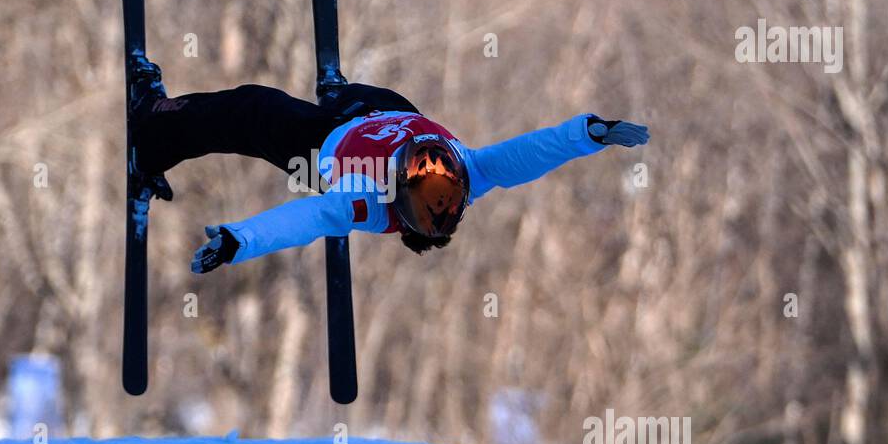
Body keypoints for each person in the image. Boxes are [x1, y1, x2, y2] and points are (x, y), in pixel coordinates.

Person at [126, 55, 650, 274]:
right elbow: (524, 155)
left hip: (317, 147)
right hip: (379, 107)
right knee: (387, 100)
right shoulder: (468, 170)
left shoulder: (364, 201)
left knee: (249, 108)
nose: (432, 165)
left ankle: (152, 125)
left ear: (398, 190)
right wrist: (589, 134)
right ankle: (337, 91)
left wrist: (240, 241)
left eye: (422, 172)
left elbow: (305, 221)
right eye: (437, 167)